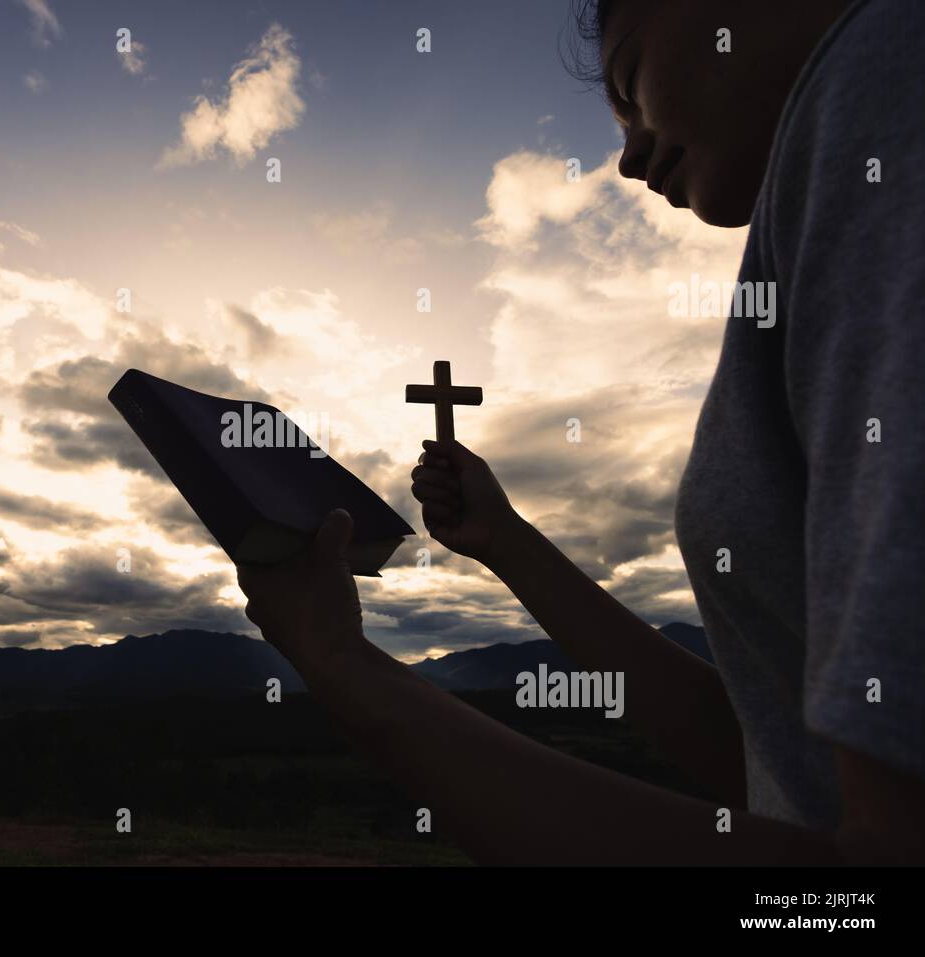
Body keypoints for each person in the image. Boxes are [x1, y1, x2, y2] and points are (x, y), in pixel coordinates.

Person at [235, 0, 924, 864]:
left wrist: (344, 664)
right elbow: (773, 761)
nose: (630, 157)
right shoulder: (820, 191)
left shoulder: (883, 77)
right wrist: (507, 542)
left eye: (632, 85)